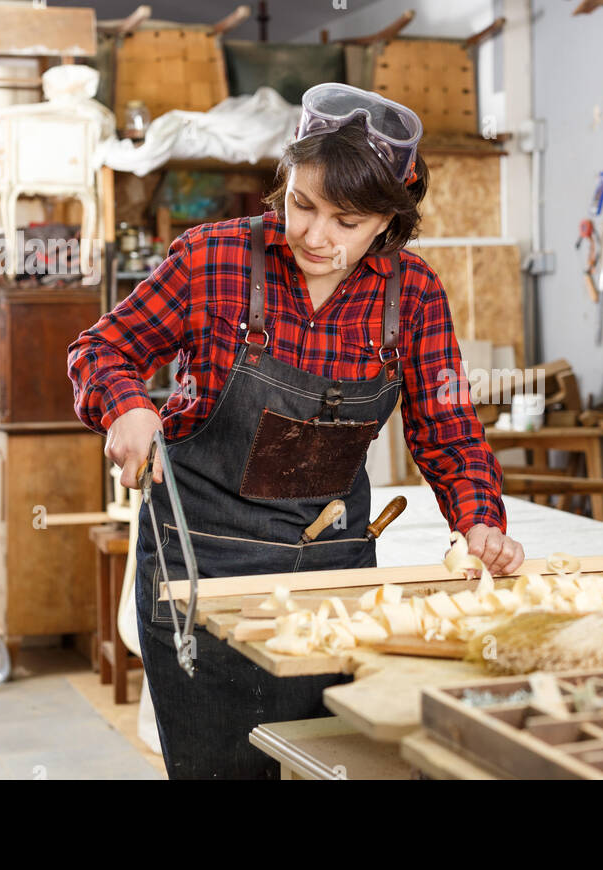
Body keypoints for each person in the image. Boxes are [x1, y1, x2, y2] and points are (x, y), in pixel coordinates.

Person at [68, 83, 524, 778]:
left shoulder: (416, 295)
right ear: (285, 180)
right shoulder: (211, 259)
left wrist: (479, 520)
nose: (314, 235)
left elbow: (448, 426)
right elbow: (99, 351)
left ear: (388, 221)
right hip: (202, 573)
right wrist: (126, 404)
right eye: (301, 204)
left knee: (333, 765)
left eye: (347, 221)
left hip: (333, 581)